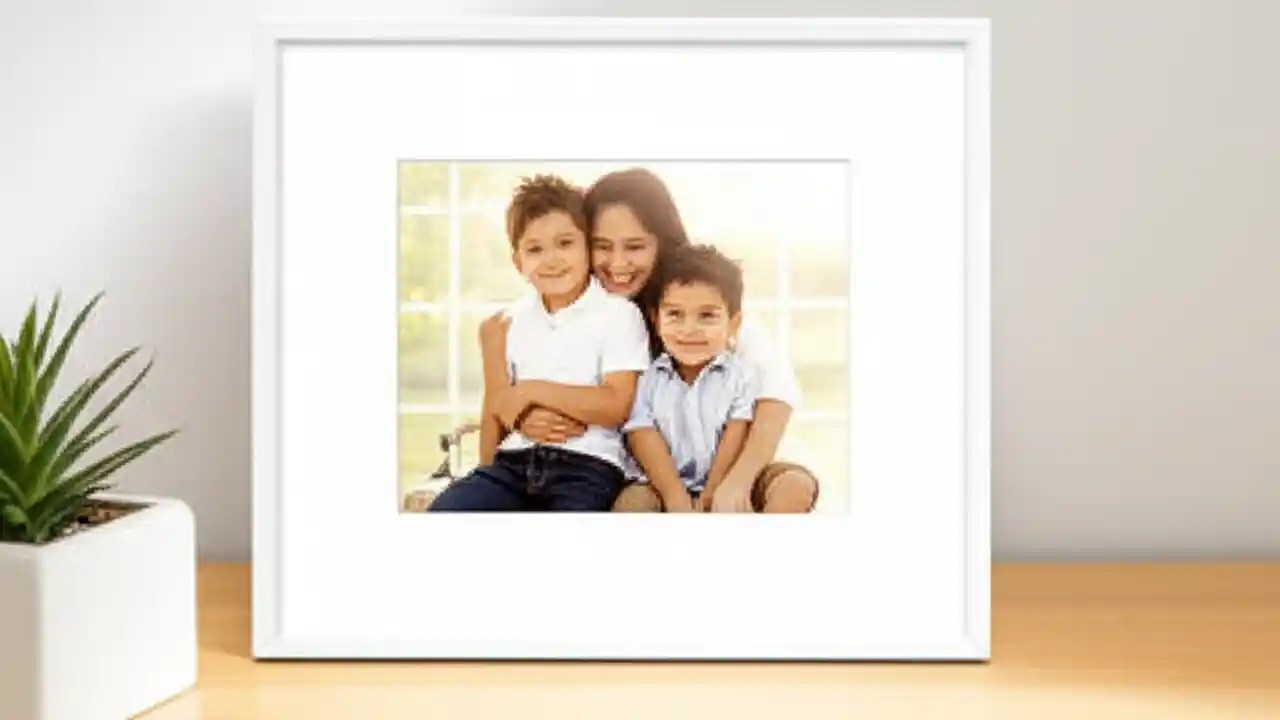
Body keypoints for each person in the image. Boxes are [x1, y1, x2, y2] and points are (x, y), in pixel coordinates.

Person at [482, 167, 819, 513]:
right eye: (602, 247)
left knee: (793, 485)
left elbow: (776, 391)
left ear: (662, 242)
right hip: (644, 477)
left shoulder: (701, 305)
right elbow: (545, 380)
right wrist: (524, 417)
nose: (618, 263)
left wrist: (737, 481)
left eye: (635, 246)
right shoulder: (580, 314)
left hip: (736, 465)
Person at [428, 175, 649, 511]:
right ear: (518, 262)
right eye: (535, 249)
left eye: (565, 243)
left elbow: (614, 405)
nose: (552, 259)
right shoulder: (506, 324)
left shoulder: (618, 315)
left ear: (587, 247)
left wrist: (530, 390)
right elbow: (495, 412)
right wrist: (486, 474)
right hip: (511, 465)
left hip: (587, 467)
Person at [623, 244, 759, 512]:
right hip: (659, 483)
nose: (689, 330)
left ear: (733, 323)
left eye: (707, 316)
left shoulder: (741, 376)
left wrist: (711, 493)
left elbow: (737, 434)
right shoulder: (647, 378)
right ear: (656, 319)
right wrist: (675, 496)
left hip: (721, 480)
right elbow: (641, 434)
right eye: (674, 314)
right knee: (632, 504)